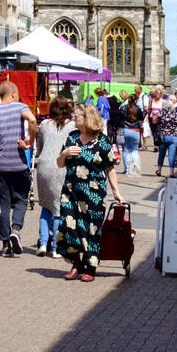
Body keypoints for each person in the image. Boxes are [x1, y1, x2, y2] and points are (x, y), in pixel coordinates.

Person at [55, 105, 124, 282]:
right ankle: (76, 264)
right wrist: (64, 153)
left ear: (87, 119)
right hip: (70, 192)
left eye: (76, 115)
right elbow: (60, 164)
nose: (73, 118)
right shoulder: (72, 137)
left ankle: (91, 267)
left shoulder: (102, 141)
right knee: (69, 227)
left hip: (93, 195)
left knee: (91, 229)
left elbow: (110, 168)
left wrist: (116, 192)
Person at [0, 79, 38, 256]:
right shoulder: (20, 107)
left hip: (0, 164)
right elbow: (33, 119)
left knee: (3, 203)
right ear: (13, 95)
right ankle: (16, 230)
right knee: (21, 199)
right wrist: (31, 139)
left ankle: (5, 245)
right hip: (19, 164)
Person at [33, 96, 76, 259]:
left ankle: (43, 243)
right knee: (58, 209)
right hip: (60, 167)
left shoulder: (44, 125)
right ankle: (56, 247)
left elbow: (40, 147)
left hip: (43, 166)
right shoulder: (72, 126)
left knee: (45, 206)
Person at [154, 100, 177, 176]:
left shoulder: (161, 114)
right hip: (173, 136)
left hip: (163, 136)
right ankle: (171, 173)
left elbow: (154, 121)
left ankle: (159, 171)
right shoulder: (175, 114)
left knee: (161, 154)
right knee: (172, 156)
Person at [121, 94, 144, 175]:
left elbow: (120, 118)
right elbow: (142, 118)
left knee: (125, 150)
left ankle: (127, 169)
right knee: (135, 150)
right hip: (135, 130)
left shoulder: (123, 108)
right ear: (136, 100)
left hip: (125, 129)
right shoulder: (138, 108)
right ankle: (134, 169)